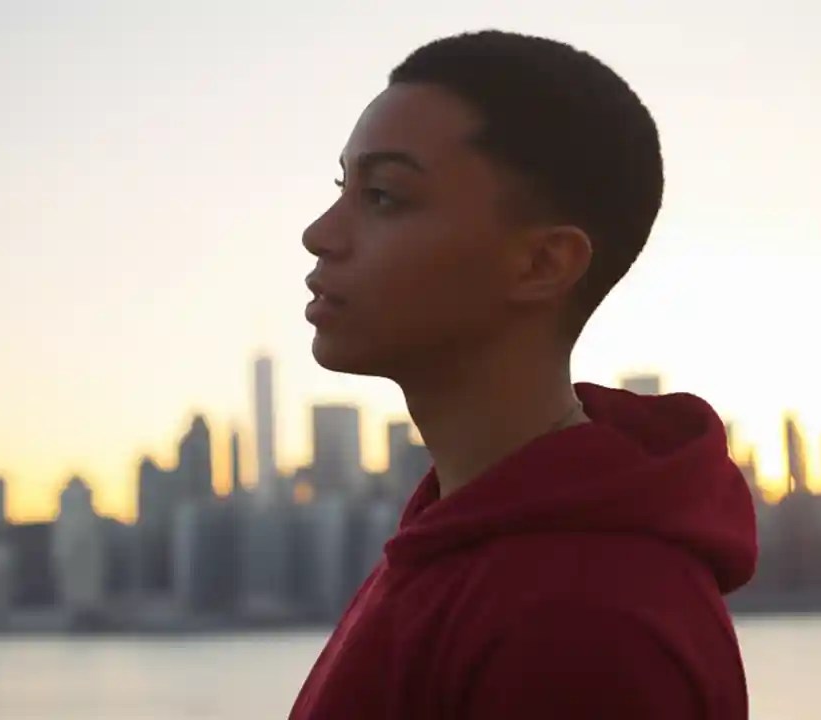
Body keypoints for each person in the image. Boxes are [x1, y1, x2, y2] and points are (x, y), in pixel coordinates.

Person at [291, 29, 756, 720]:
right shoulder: (457, 539)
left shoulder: (585, 623)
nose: (320, 232)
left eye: (384, 195)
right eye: (342, 186)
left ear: (542, 264)